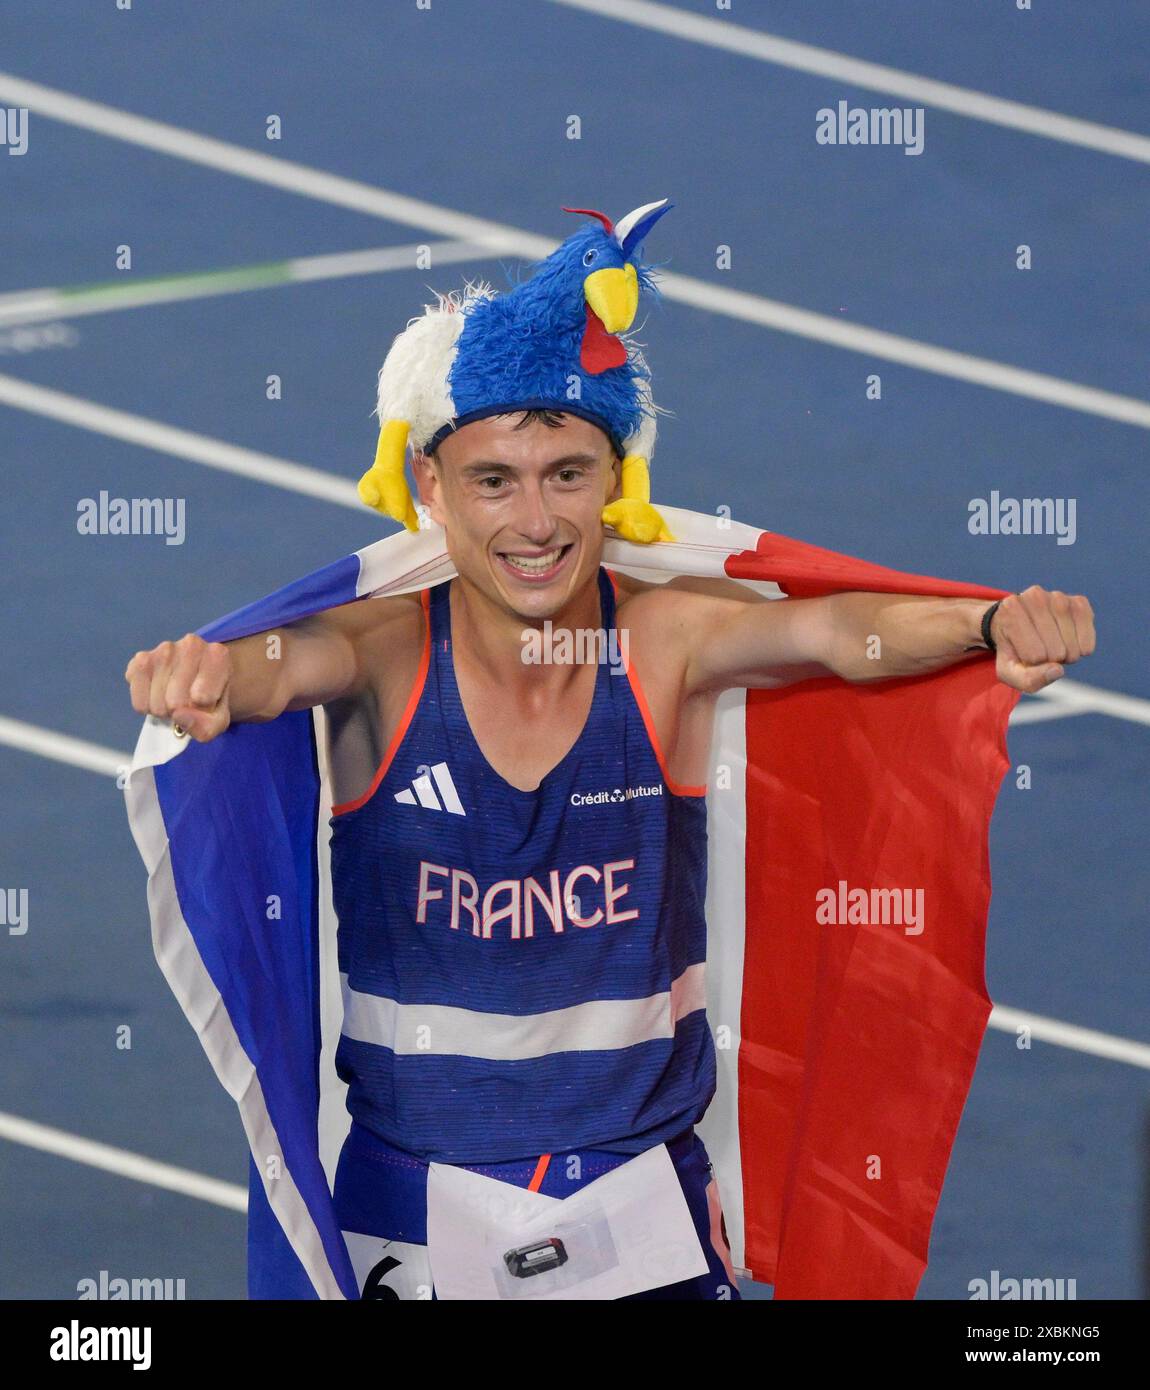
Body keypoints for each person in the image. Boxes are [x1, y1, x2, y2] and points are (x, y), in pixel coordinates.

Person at [124, 403, 1094, 1300]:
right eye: (493, 479)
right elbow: (280, 665)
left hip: (641, 1210)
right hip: (414, 1216)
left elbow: (841, 629)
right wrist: (210, 672)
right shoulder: (383, 655)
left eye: (567, 473)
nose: (536, 520)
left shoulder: (663, 640)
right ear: (429, 486)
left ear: (616, 478)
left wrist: (985, 623)